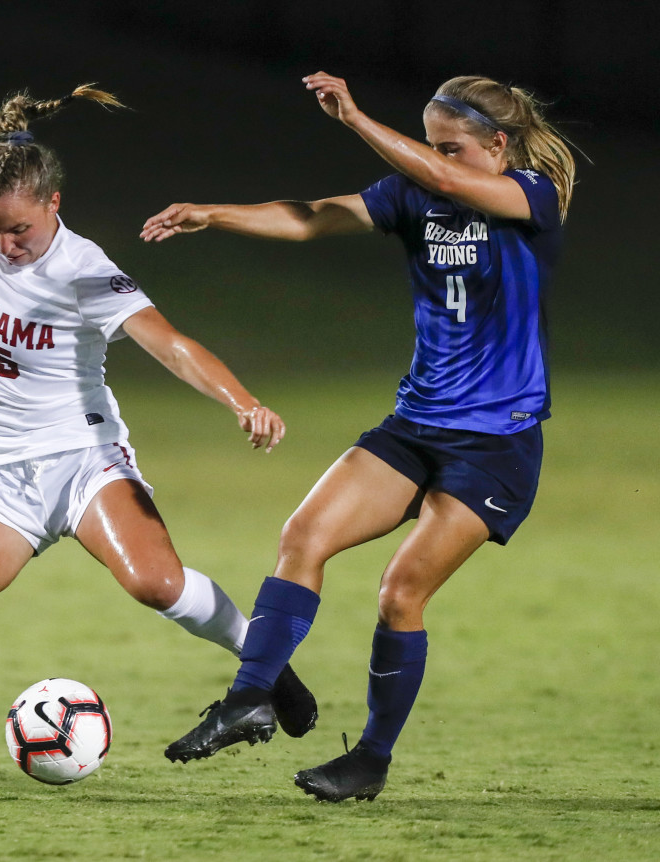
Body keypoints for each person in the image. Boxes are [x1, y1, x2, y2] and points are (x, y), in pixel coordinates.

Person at [0, 83, 318, 802]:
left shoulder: (85, 270)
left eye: (20, 230)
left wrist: (242, 400)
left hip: (84, 462)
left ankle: (266, 667)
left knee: (155, 583)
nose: (5, 244)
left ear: (53, 206)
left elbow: (167, 344)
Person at [141, 71, 577, 802]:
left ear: (499, 145)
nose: (437, 159)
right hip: (415, 425)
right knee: (303, 536)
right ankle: (249, 700)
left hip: (495, 443)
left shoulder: (531, 196)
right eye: (435, 145)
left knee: (400, 593)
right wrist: (214, 214)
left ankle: (369, 761)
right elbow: (313, 216)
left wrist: (355, 119)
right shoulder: (417, 193)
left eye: (454, 147)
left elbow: (437, 174)